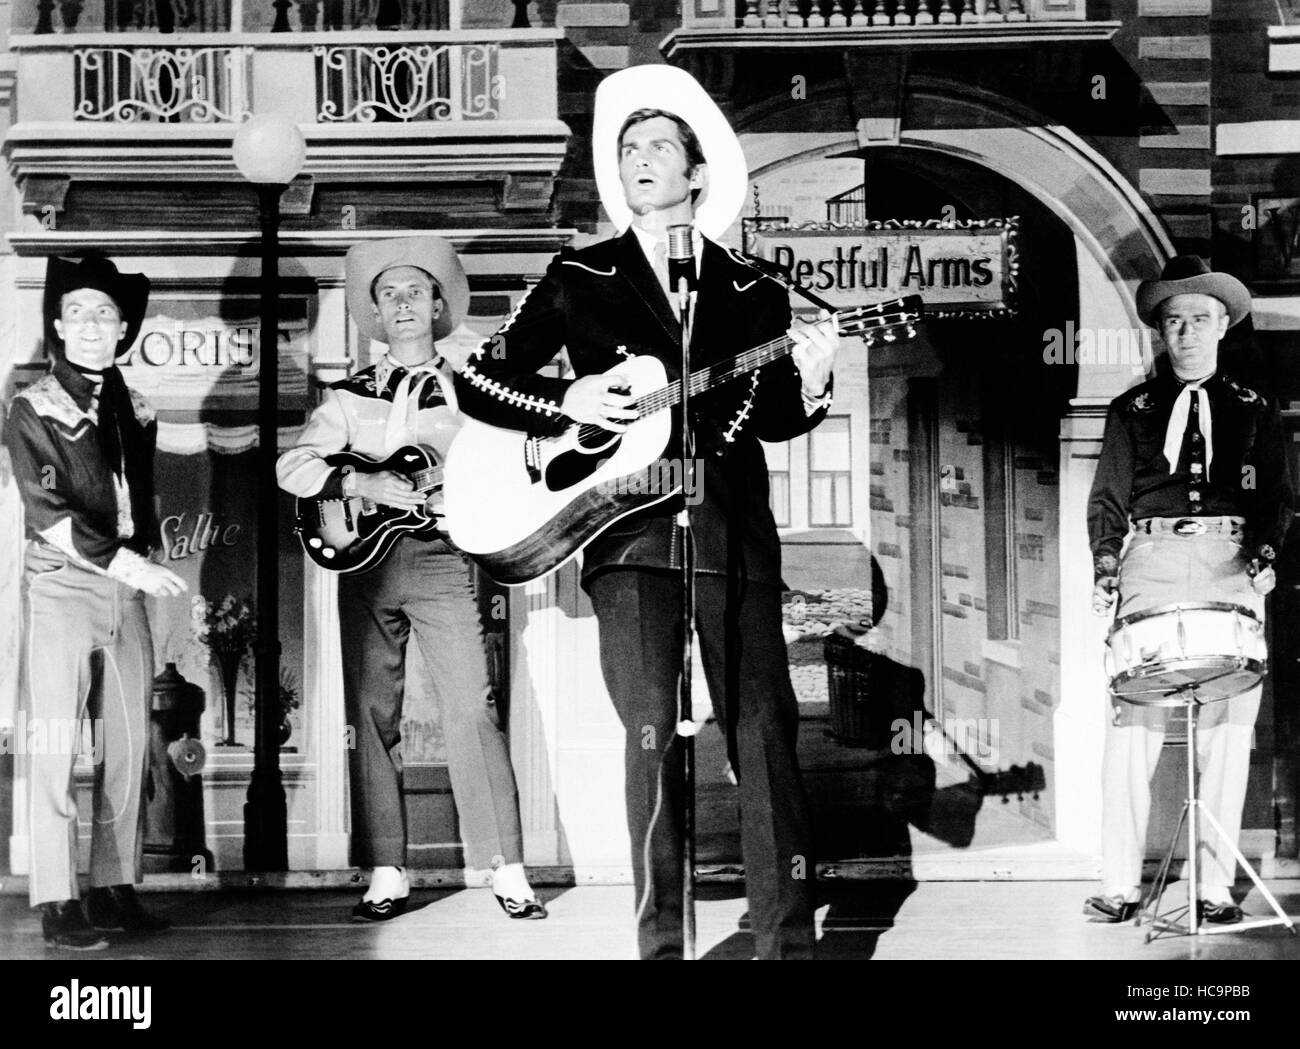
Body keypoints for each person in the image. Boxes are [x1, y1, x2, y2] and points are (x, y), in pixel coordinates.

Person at [453, 65, 840, 960]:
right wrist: (571, 400)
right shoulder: (581, 274)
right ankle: (662, 948)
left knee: (765, 732)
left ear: (698, 173)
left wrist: (814, 379)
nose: (638, 157)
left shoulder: (753, 288)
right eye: (628, 147)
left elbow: (773, 416)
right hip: (627, 536)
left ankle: (787, 945)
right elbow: (479, 380)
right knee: (650, 736)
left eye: (658, 145)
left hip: (733, 534)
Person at [277, 236, 545, 921]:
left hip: (442, 557)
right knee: (371, 715)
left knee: (472, 707)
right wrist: (359, 480)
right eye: (388, 294)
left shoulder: (473, 391)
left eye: (415, 292)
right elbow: (293, 467)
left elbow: (512, 468)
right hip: (364, 565)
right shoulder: (347, 398)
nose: (402, 304)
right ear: (375, 312)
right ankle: (387, 870)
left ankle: (506, 867)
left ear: (437, 306)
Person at [1085, 255, 1293, 924]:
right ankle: (1120, 884)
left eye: (1200, 320)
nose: (1187, 333)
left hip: (1232, 562)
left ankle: (1213, 888)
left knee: (1229, 730)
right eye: (1174, 321)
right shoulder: (1132, 410)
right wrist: (1106, 567)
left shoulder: (1253, 408)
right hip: (1151, 559)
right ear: (1160, 330)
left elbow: (1277, 497)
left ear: (1223, 325)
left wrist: (1264, 557)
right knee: (1133, 724)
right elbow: (1107, 499)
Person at [4, 253, 186, 949]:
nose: (90, 325)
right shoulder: (32, 406)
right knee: (54, 745)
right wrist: (127, 563)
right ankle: (58, 898)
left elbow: (139, 496)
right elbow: (47, 511)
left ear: (122, 330)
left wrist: (140, 564)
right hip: (60, 584)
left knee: (129, 744)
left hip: (126, 589)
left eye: (103, 313)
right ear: (57, 326)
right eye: (76, 312)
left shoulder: (137, 408)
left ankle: (114, 886)